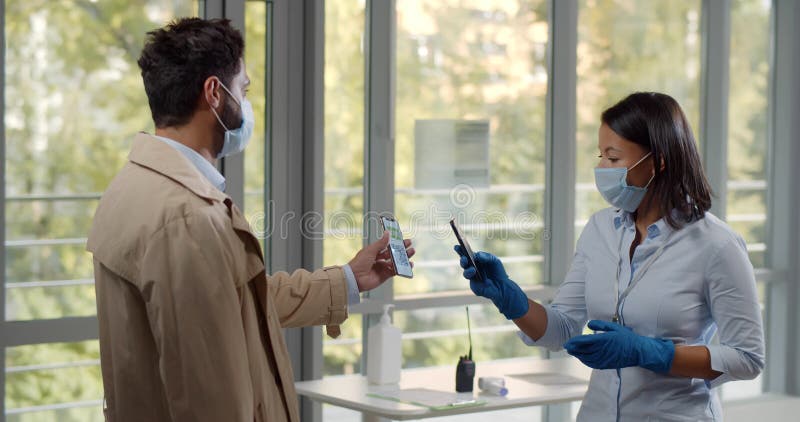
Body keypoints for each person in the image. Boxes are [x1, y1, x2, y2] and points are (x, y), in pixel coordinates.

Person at [86, 18, 414, 422]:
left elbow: (239, 303)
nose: (246, 102)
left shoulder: (132, 187)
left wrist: (348, 278)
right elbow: (212, 400)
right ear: (214, 93)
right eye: (242, 89)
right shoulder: (188, 219)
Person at [455, 92, 764, 421]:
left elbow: (747, 358)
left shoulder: (717, 244)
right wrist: (512, 300)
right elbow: (562, 328)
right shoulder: (600, 229)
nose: (601, 168)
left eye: (613, 158)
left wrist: (651, 352)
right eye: (600, 155)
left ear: (658, 161)